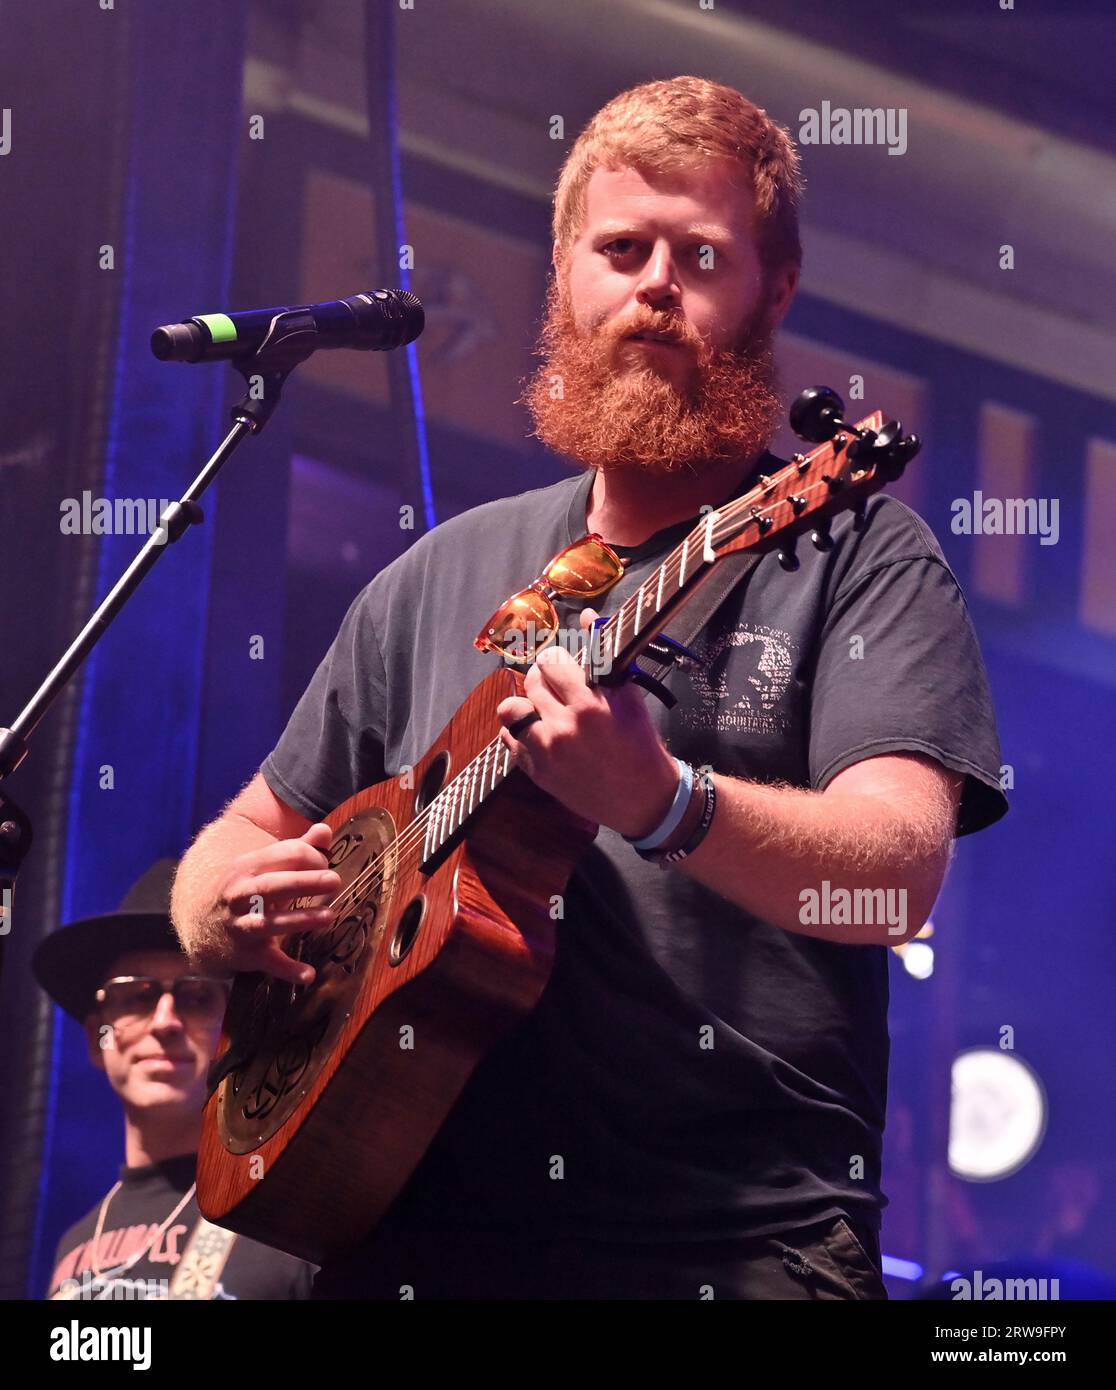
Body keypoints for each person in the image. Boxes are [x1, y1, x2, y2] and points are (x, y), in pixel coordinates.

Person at [171, 76, 1007, 1300]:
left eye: (702, 253)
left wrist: (665, 800)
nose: (655, 283)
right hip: (407, 1233)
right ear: (566, 271)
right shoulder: (435, 572)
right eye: (621, 249)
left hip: (727, 1245)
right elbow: (241, 835)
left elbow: (893, 869)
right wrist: (220, 912)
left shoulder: (854, 551)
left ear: (773, 290)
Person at [33, 859, 315, 1300]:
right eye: (138, 995)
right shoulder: (72, 1246)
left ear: (235, 1030)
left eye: (197, 996)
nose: (165, 1022)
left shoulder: (287, 1223)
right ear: (96, 1039)